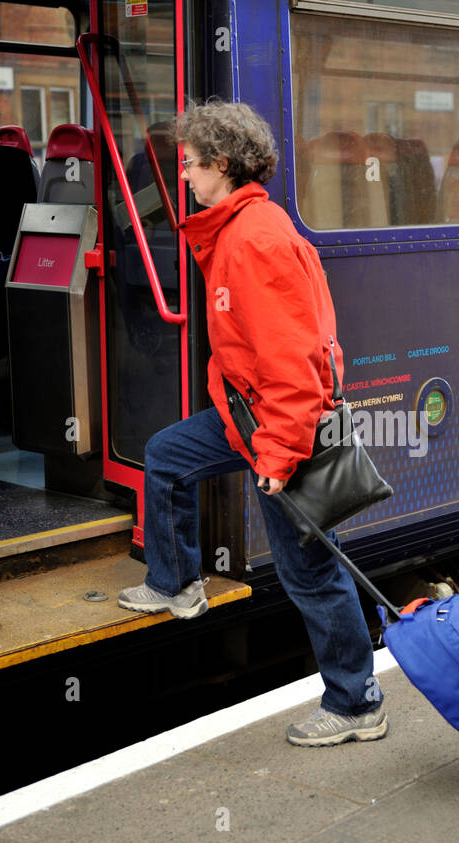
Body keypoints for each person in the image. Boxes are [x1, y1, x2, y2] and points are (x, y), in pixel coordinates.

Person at [118, 101, 386, 747]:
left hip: (277, 429)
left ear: (223, 165)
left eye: (190, 164)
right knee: (165, 455)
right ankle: (177, 581)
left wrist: (277, 456)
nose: (183, 175)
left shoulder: (255, 240)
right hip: (248, 419)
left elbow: (294, 362)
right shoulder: (238, 231)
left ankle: (357, 701)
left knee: (310, 571)